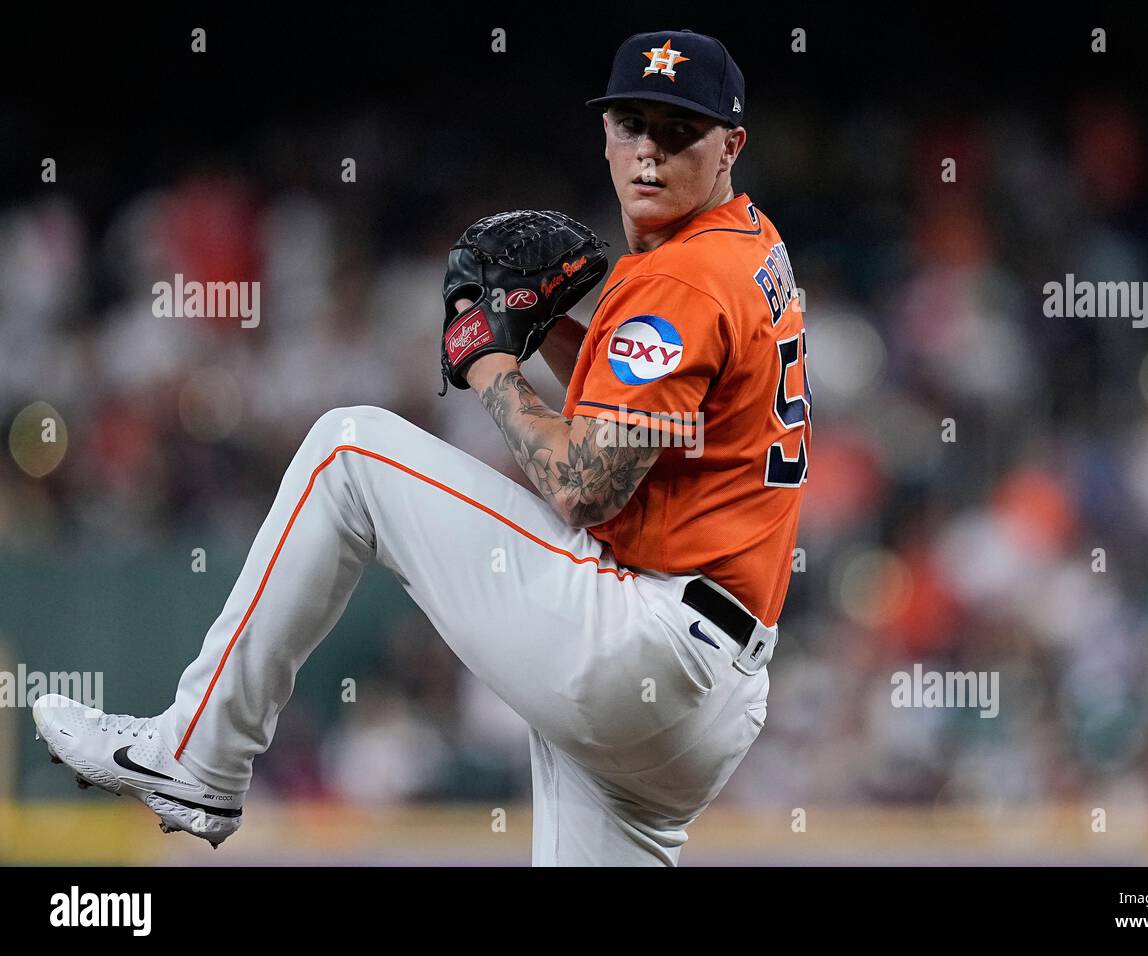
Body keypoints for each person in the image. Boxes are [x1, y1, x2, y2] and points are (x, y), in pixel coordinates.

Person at [34, 28, 811, 866]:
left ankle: (196, 756)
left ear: (730, 144)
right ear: (606, 131)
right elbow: (660, 418)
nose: (649, 152)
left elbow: (585, 485)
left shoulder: (678, 279)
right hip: (707, 696)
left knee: (347, 453)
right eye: (632, 123)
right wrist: (550, 333)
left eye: (679, 130)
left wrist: (487, 363)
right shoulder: (749, 245)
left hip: (643, 644)